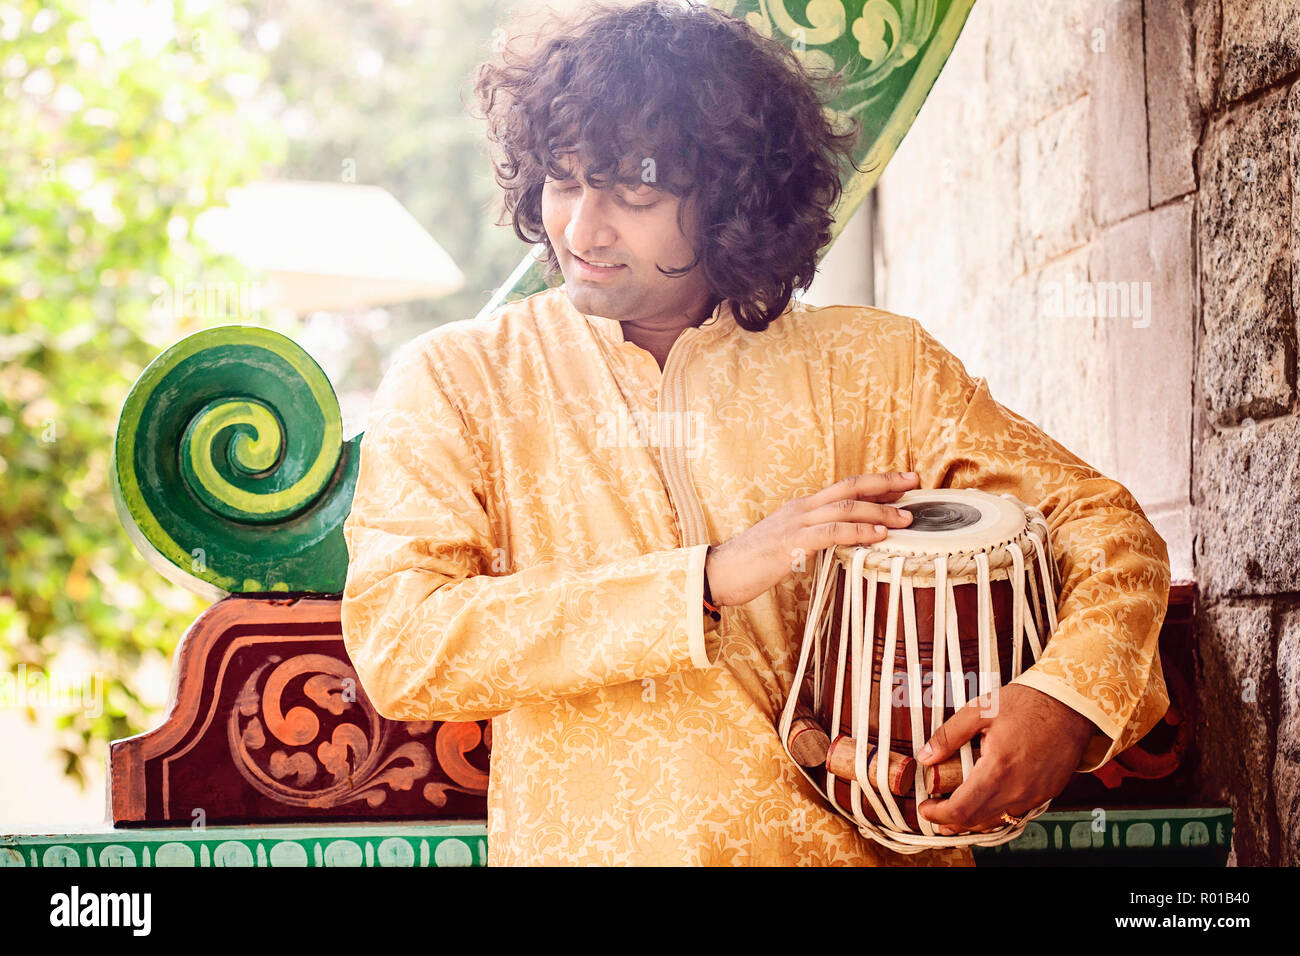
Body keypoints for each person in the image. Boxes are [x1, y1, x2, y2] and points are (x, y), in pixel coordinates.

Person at [340, 0, 1170, 866]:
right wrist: (705, 580)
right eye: (565, 181)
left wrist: (1066, 703)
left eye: (637, 193)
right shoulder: (459, 381)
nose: (583, 229)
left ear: (735, 194)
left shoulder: (877, 367)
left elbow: (1104, 529)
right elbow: (404, 645)